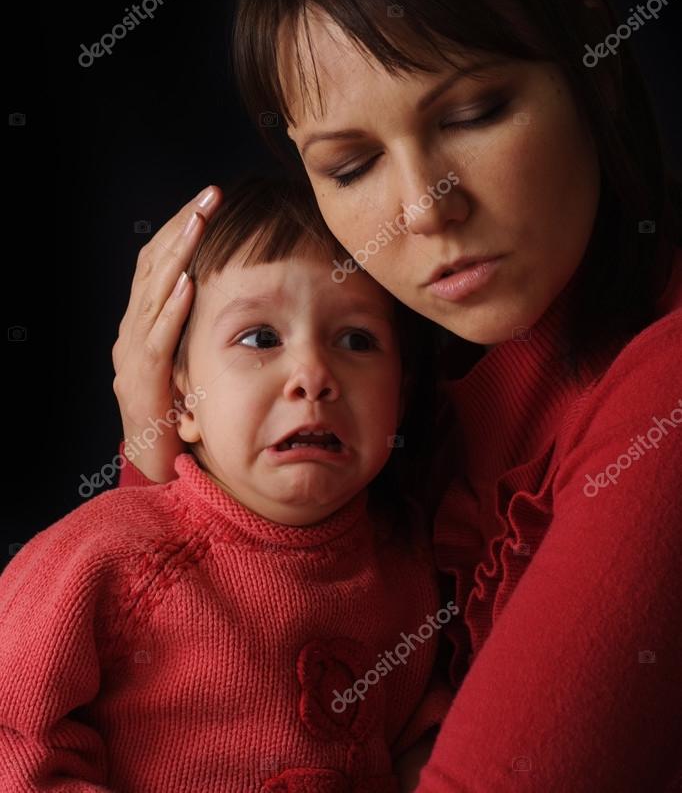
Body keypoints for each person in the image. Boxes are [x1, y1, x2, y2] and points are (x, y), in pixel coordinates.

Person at [113, 0, 682, 790]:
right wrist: (156, 447)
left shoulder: (663, 393)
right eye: (349, 166)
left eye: (475, 111)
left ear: (599, 63)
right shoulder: (388, 398)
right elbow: (175, 717)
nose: (424, 207)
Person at [0, 174, 455, 793]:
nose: (313, 375)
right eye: (260, 338)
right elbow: (15, 734)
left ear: (399, 401)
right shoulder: (109, 557)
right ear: (182, 400)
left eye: (356, 340)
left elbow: (418, 732)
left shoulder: (407, 567)